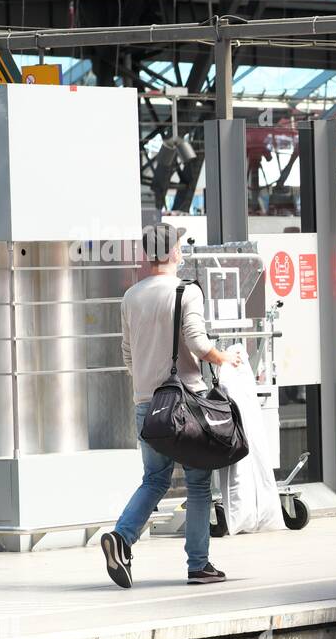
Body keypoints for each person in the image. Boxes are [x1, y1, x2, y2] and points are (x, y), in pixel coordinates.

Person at [100, 223, 244, 588]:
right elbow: (197, 342)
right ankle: (199, 565)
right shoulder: (186, 292)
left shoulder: (131, 296)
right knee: (197, 485)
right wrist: (222, 356)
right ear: (175, 252)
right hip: (187, 405)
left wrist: (148, 383)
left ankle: (121, 537)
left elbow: (128, 354)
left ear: (149, 254)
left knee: (154, 479)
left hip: (148, 404)